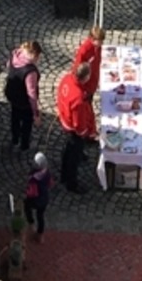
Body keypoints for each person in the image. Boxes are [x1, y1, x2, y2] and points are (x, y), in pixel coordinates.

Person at [56, 62, 98, 191]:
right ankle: (71, 184)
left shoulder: (67, 79)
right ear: (85, 77)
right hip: (73, 130)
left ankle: (63, 175)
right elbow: (79, 124)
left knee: (67, 151)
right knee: (73, 157)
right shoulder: (78, 98)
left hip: (64, 120)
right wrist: (87, 133)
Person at [5, 40, 42, 152]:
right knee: (26, 123)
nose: (38, 60)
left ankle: (15, 140)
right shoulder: (30, 71)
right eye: (38, 57)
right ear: (34, 55)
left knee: (15, 119)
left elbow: (8, 67)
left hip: (13, 96)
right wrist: (35, 113)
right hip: (24, 102)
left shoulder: (15, 55)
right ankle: (24, 145)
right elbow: (31, 93)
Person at [24, 152, 52, 239]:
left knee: (26, 206)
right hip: (44, 198)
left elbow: (32, 192)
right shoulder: (47, 172)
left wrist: (26, 192)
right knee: (40, 216)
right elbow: (50, 183)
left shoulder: (34, 178)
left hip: (35, 200)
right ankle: (40, 234)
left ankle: (30, 223)